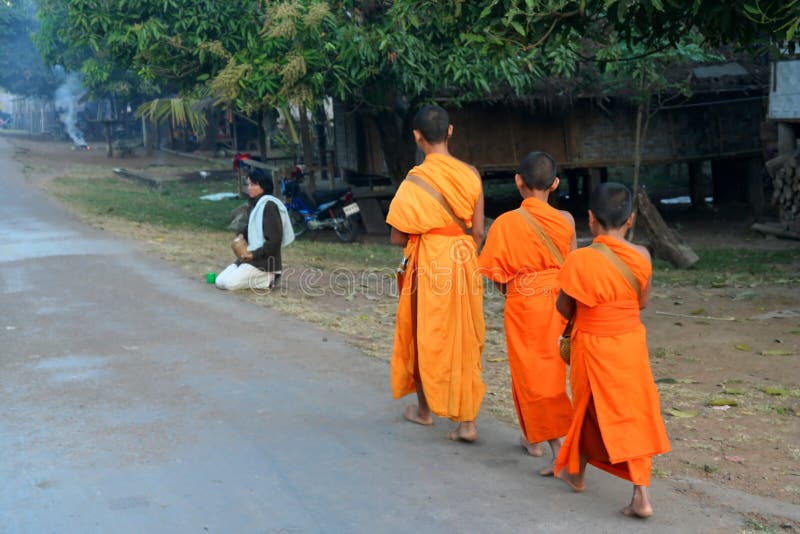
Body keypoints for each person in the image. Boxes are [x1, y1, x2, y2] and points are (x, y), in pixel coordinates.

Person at [552, 182, 670, 519]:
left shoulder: (579, 259)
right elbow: (641, 302)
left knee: (589, 407)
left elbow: (564, 307)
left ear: (590, 219)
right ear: (630, 219)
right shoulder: (643, 256)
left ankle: (577, 472)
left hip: (592, 344)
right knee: (634, 412)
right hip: (629, 343)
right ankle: (639, 495)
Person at [386, 104, 486, 442]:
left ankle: (426, 411)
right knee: (465, 338)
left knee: (425, 334)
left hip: (430, 263)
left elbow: (397, 236)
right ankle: (468, 422)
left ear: (417, 137)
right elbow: (479, 231)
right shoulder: (471, 173)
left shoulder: (415, 181)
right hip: (465, 259)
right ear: (451, 131)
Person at [478, 151, 576, 472]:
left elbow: (496, 276)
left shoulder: (506, 224)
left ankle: (554, 445)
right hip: (561, 301)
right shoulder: (567, 221)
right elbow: (573, 266)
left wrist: (519, 291)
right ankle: (531, 435)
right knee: (551, 371)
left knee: (530, 373)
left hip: (524, 304)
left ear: (518, 181)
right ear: (555, 183)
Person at [216, 168, 283, 291]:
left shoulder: (269, 206)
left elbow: (274, 241)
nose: (249, 188)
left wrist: (253, 254)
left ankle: (270, 278)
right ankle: (256, 276)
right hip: (249, 258)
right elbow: (248, 228)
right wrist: (241, 235)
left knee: (229, 284)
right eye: (248, 184)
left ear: (264, 186)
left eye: (254, 184)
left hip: (264, 262)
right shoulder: (254, 205)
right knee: (220, 282)